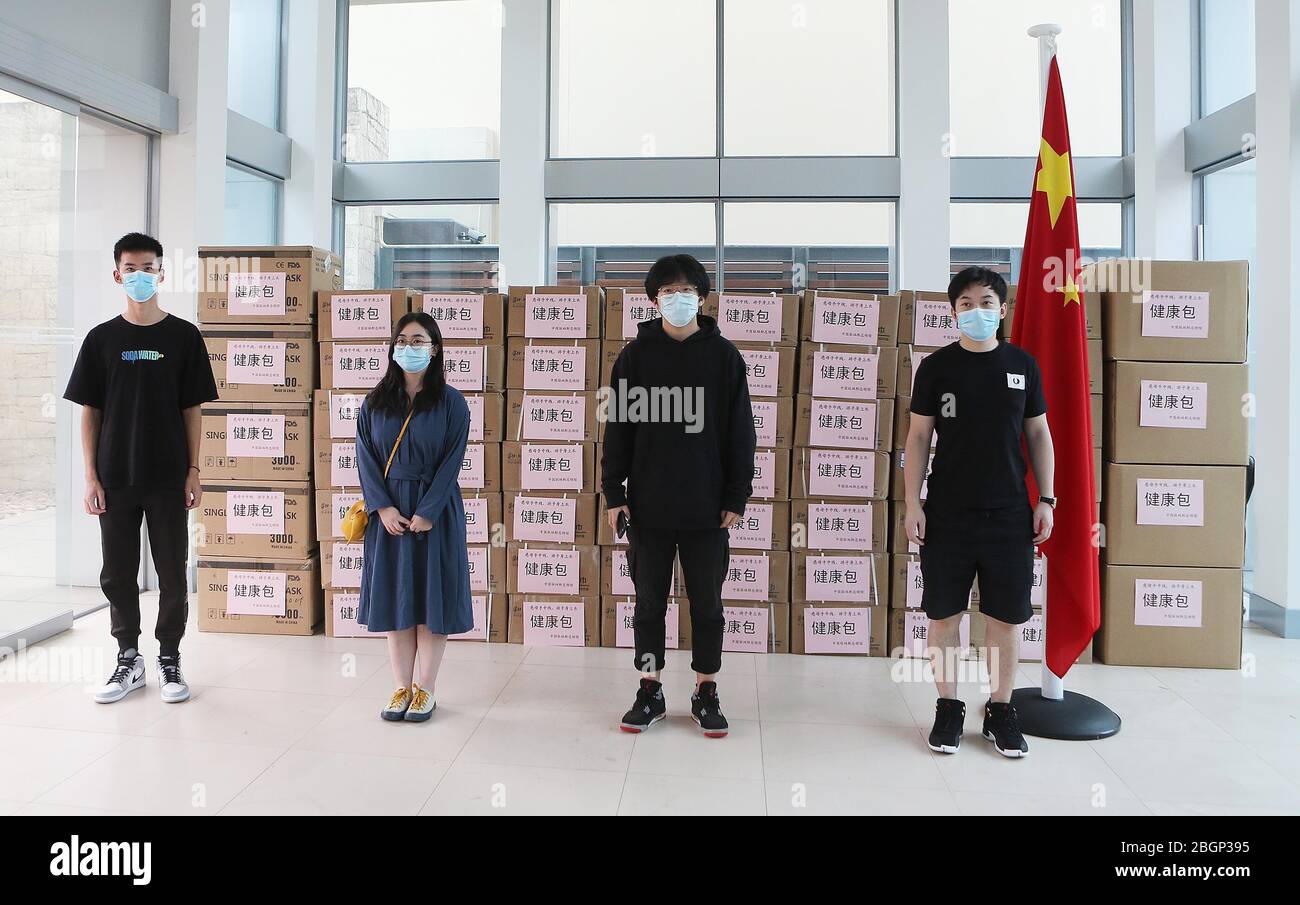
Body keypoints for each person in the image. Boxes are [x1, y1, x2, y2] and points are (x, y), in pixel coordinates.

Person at [602, 254, 757, 738]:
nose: (677, 298)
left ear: (703, 297)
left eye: (686, 290)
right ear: (653, 301)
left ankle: (705, 688)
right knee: (649, 603)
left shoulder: (724, 356)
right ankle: (649, 688)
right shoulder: (634, 356)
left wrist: (738, 493)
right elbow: (618, 429)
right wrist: (613, 493)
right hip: (648, 506)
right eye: (667, 292)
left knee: (708, 604)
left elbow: (741, 433)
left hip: (709, 508)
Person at [903, 266, 1055, 758]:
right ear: (953, 312)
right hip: (947, 512)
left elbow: (1039, 436)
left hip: (1010, 513)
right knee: (944, 615)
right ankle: (948, 708)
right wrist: (912, 503)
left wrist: (1046, 499)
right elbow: (919, 437)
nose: (976, 311)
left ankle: (1001, 709)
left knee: (1005, 619)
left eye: (986, 302)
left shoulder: (1022, 366)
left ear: (1003, 309)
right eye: (966, 304)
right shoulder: (936, 368)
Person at [65, 232, 219, 705]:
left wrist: (194, 469)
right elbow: (90, 411)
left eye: (147, 267)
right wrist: (91, 476)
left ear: (162, 273)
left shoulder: (184, 336)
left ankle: (169, 658)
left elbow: (193, 408)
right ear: (117, 275)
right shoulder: (101, 339)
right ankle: (128, 658)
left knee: (173, 572)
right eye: (130, 269)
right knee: (117, 572)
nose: (139, 276)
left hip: (169, 476)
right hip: (115, 477)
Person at [355, 312, 471, 723]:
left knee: (430, 601)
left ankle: (426, 689)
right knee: (396, 599)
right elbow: (365, 459)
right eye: (402, 339)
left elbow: (452, 462)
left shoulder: (453, 403)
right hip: (389, 514)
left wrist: (428, 511)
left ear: (435, 348)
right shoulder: (374, 402)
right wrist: (382, 507)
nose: (409, 347)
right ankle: (401, 686)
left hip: (435, 513)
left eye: (419, 340)